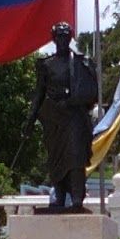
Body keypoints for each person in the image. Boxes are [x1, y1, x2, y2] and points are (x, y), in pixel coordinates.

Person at [24, 22, 98, 212]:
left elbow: (91, 92)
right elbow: (39, 94)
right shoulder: (46, 65)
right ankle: (59, 196)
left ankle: (76, 198)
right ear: (54, 39)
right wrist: (30, 119)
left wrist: (72, 100)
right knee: (56, 158)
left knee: (75, 157)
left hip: (74, 116)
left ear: (70, 38)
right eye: (59, 36)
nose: (63, 40)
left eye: (66, 36)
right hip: (53, 117)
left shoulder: (82, 62)